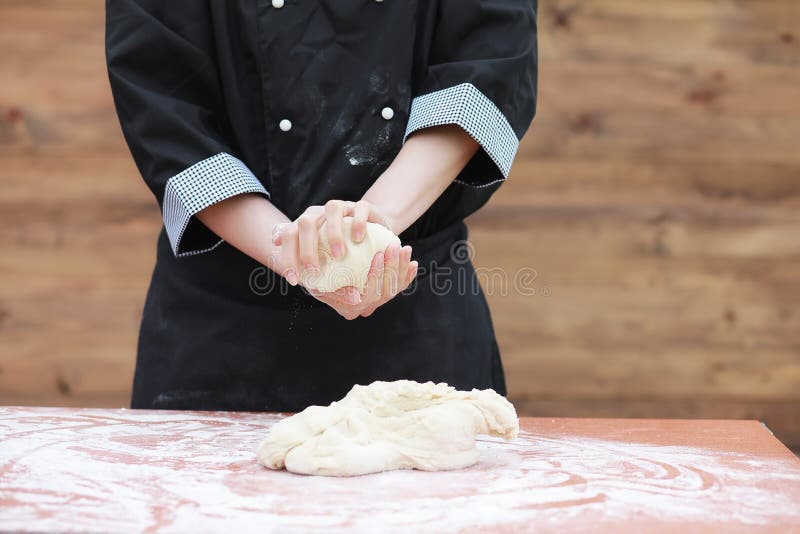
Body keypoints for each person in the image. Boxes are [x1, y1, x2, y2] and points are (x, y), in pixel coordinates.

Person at [105, 0, 538, 412]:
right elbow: (162, 102)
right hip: (220, 330)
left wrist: (372, 227)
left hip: (410, 307)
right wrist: (291, 249)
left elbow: (487, 62)